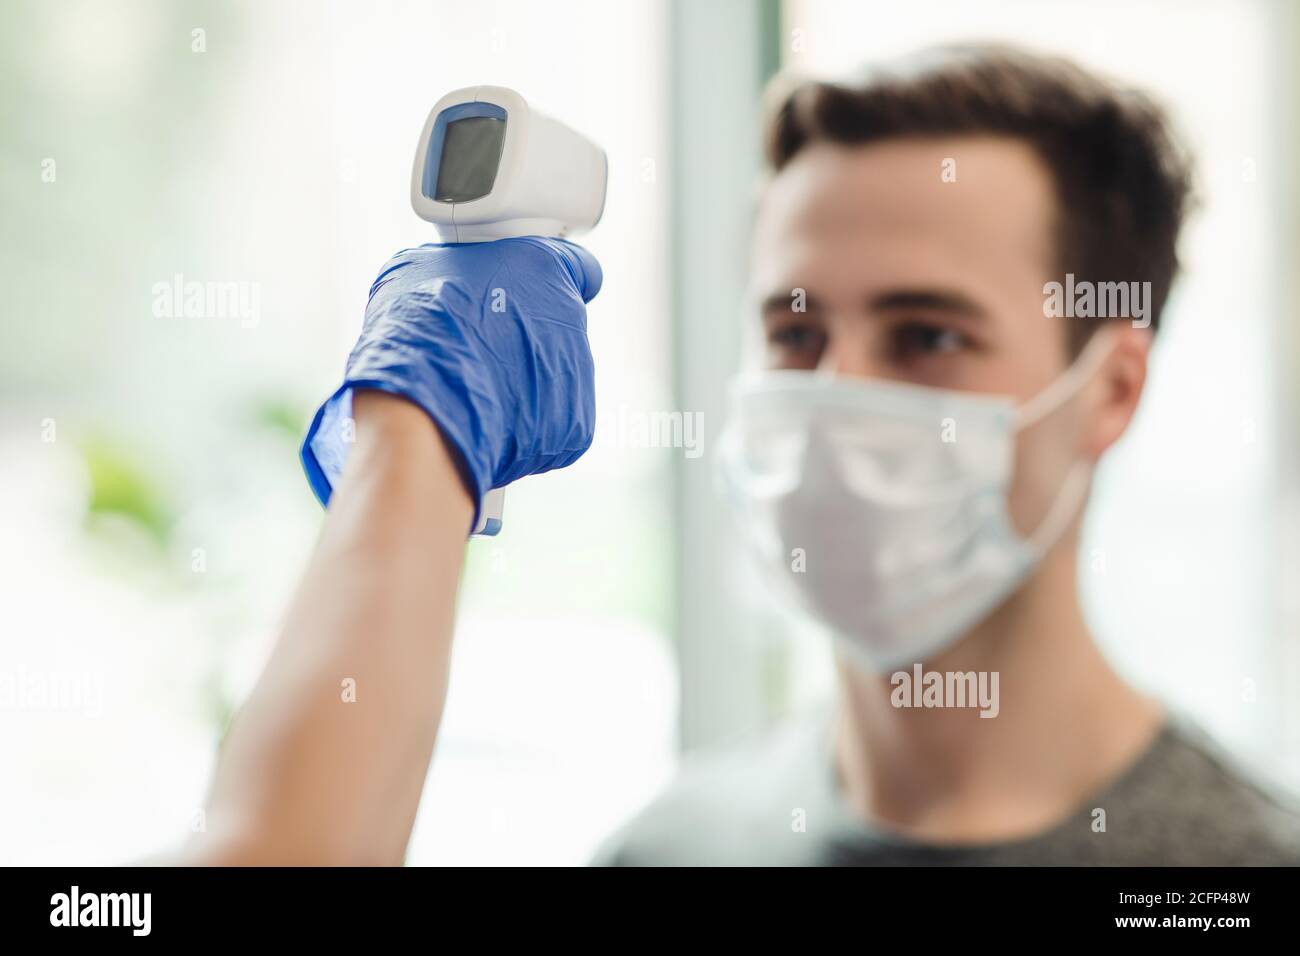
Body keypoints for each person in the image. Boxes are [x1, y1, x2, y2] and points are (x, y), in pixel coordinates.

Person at [180, 44, 1300, 866]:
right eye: (793, 332)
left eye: (928, 335)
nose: (829, 395)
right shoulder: (666, 846)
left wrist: (410, 439)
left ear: (1110, 387)